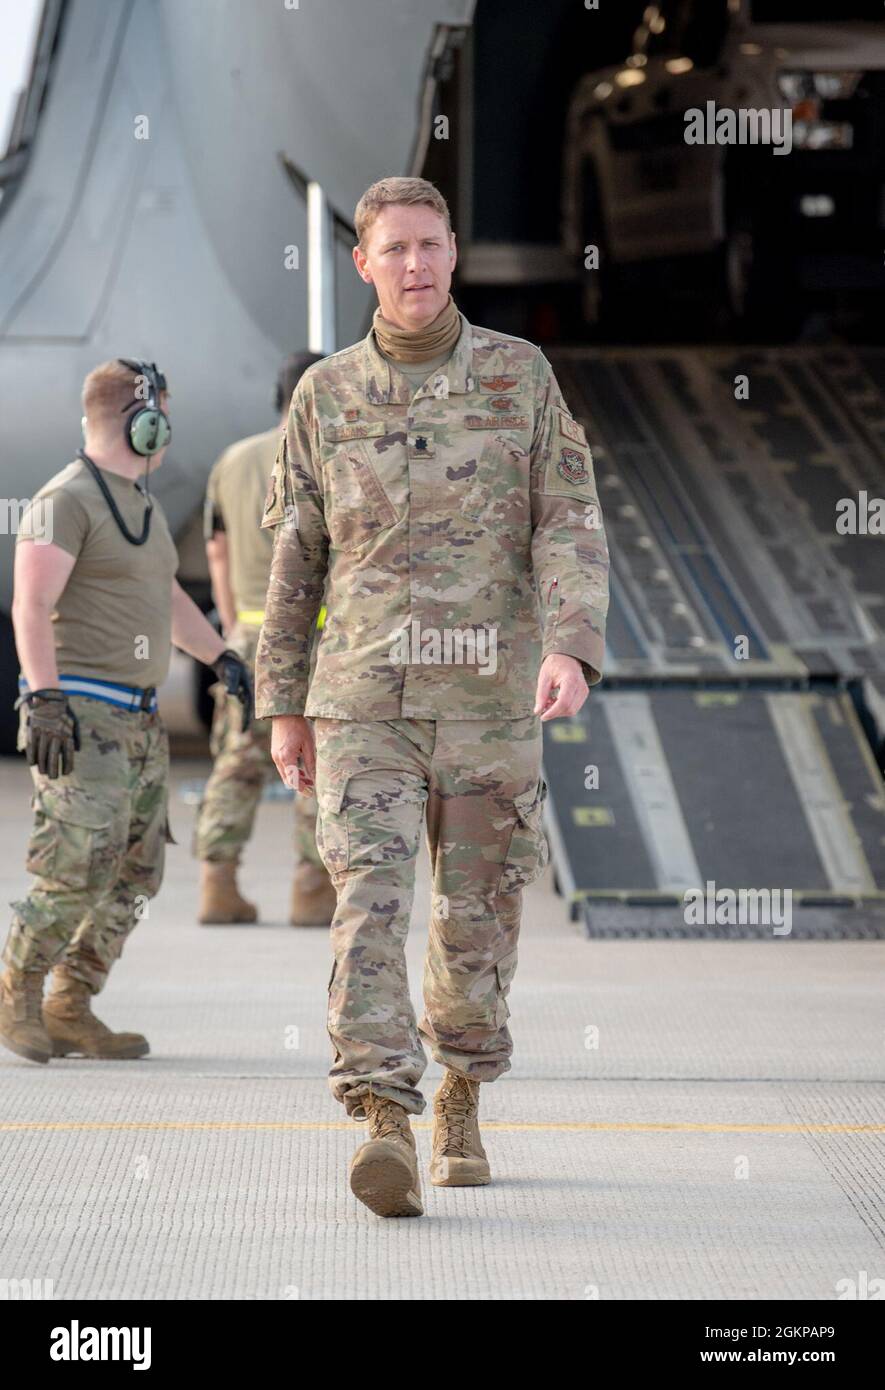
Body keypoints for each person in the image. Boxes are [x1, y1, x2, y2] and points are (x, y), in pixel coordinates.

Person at [255, 176, 610, 1218]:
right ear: (361, 264)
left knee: (476, 918)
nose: (414, 265)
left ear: (455, 255)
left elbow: (568, 520)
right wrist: (282, 703)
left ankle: (459, 1091)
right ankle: (382, 1117)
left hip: (491, 699)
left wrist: (572, 645)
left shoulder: (519, 377)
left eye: (430, 246)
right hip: (362, 696)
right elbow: (295, 559)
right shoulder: (325, 395)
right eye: (394, 249)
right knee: (366, 904)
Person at [0, 359, 251, 1065]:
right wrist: (44, 698)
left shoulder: (137, 501)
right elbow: (32, 606)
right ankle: (16, 989)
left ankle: (70, 1002)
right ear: (144, 420)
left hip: (138, 723)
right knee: (76, 864)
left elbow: (166, 597)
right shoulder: (65, 500)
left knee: (137, 871)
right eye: (162, 415)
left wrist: (219, 658)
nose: (167, 430)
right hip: (83, 715)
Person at [194, 353, 337, 927]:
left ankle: (217, 884)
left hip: (249, 627)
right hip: (319, 633)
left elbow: (216, 550)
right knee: (317, 760)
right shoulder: (326, 455)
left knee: (238, 762)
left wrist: (233, 627)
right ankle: (310, 890)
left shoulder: (232, 461)